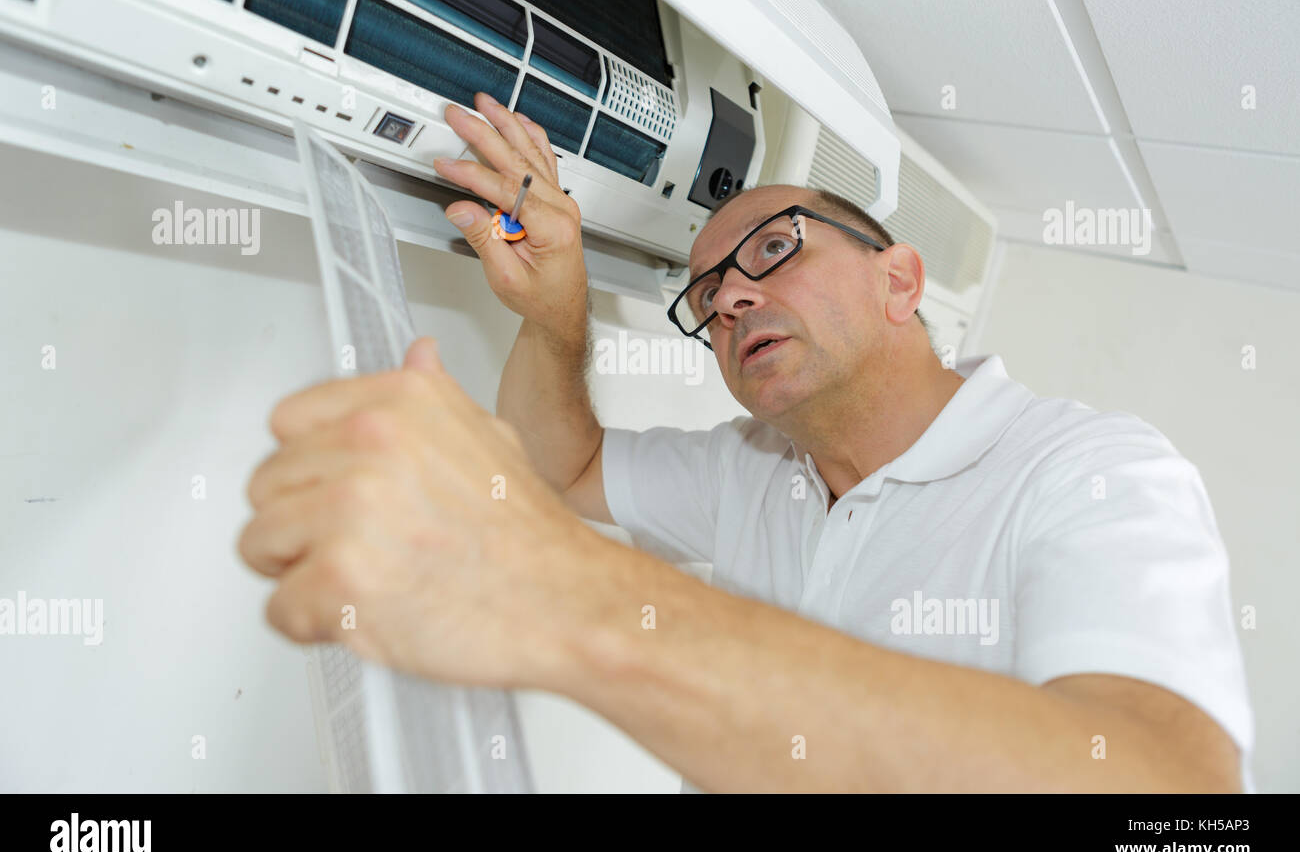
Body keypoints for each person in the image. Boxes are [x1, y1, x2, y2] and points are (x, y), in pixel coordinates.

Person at [239, 92, 1252, 792]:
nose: (731, 298)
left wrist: (563, 596)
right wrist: (557, 313)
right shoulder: (751, 467)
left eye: (773, 249)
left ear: (900, 280)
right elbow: (564, 469)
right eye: (707, 293)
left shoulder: (1089, 474)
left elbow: (1166, 790)